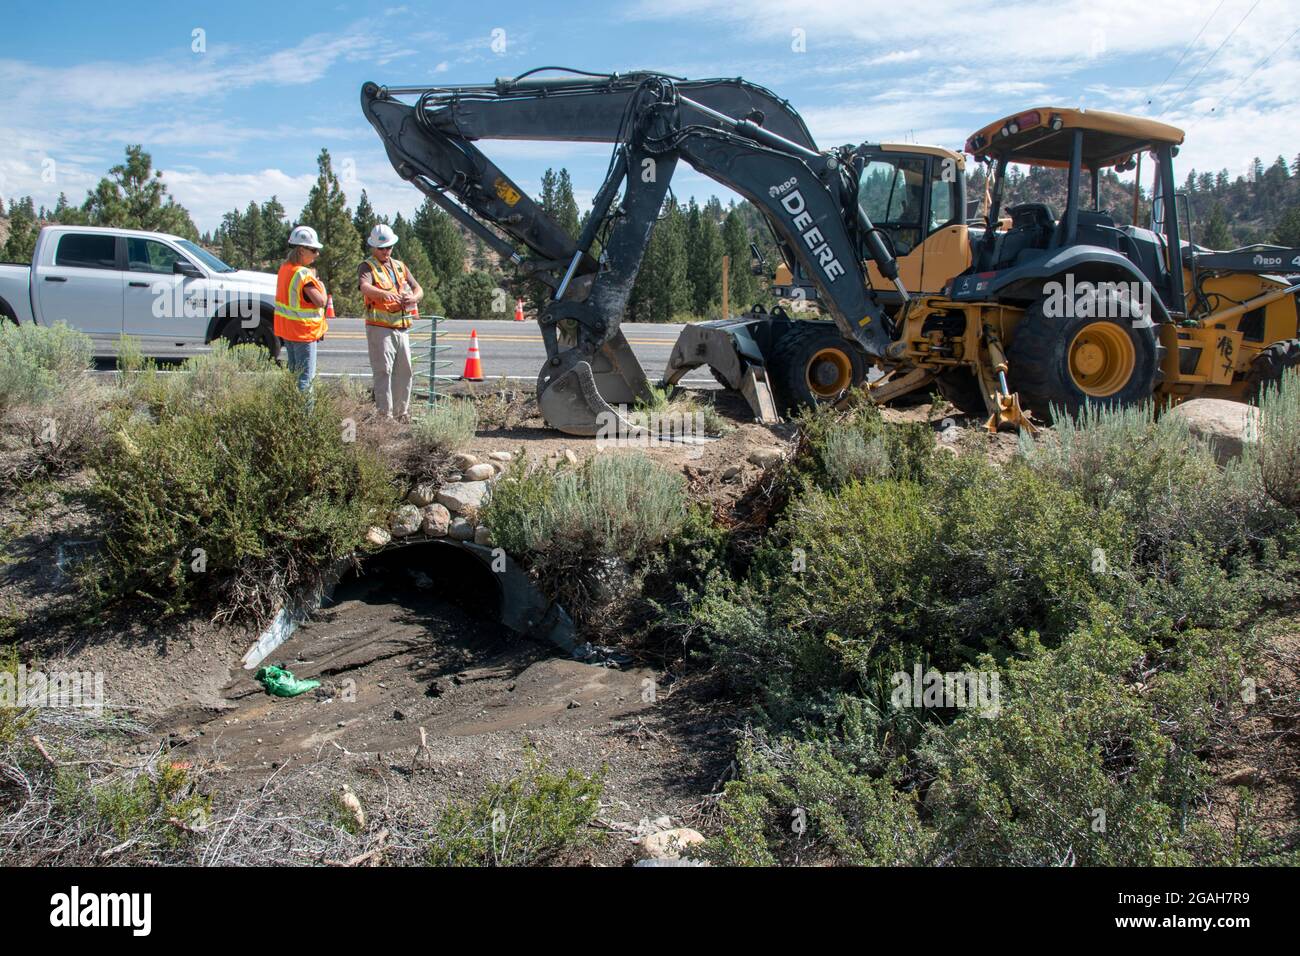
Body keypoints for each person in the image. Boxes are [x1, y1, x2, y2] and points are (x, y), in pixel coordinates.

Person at [358, 223, 423, 420]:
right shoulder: (367, 266)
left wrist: (414, 298)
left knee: (405, 372)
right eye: (382, 248)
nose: (386, 251)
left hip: (402, 328)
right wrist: (386, 294)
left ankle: (401, 414)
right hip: (380, 328)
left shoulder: (400, 266)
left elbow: (418, 288)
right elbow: (365, 287)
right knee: (383, 372)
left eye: (389, 247)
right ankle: (384, 417)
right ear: (373, 248)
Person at [273, 226, 328, 392]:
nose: (317, 254)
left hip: (288, 331)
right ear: (302, 250)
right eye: (314, 250)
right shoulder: (303, 274)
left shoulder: (285, 269)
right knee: (305, 380)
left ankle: (293, 413)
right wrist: (323, 287)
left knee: (294, 376)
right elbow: (321, 301)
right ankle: (305, 417)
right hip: (303, 333)